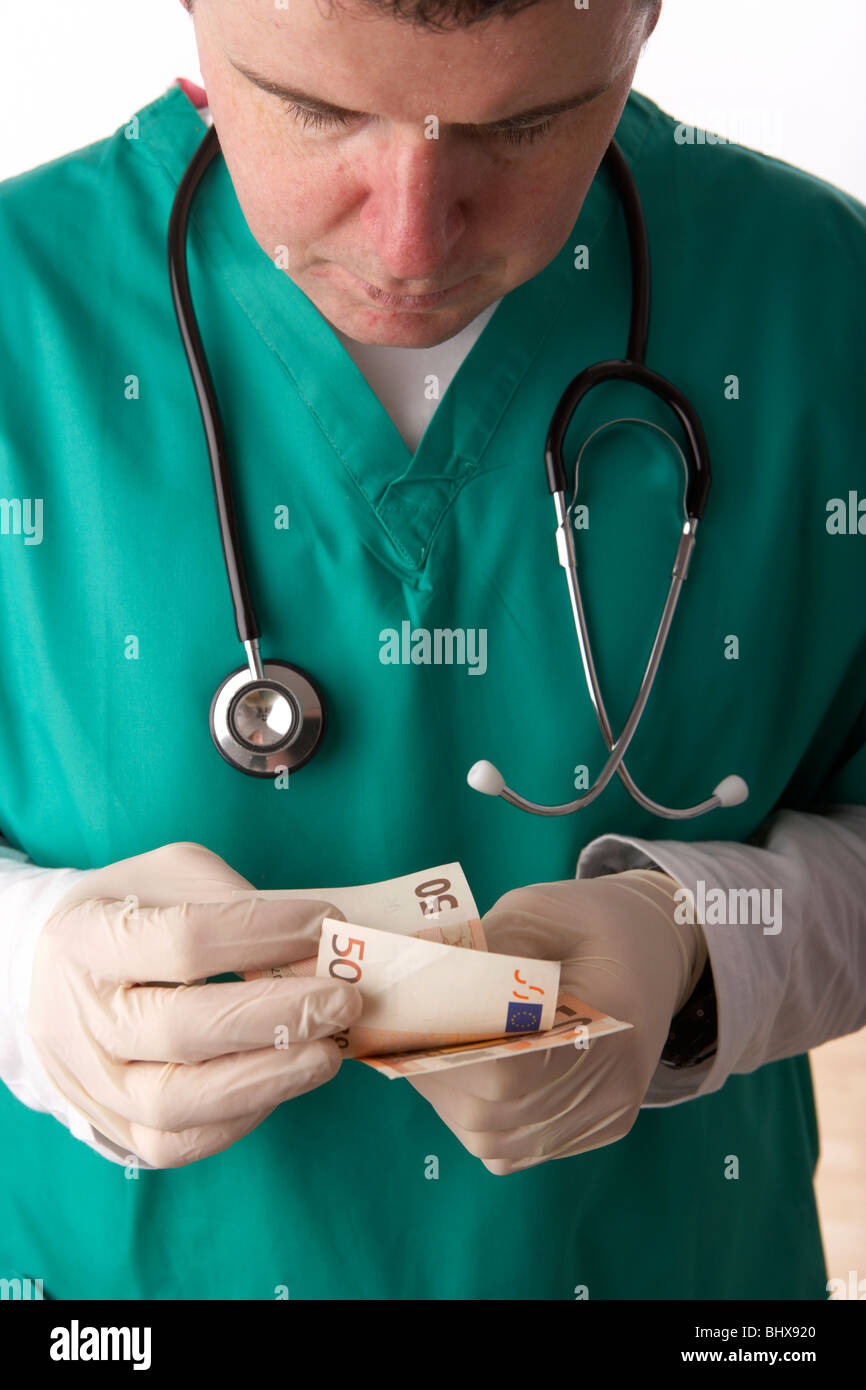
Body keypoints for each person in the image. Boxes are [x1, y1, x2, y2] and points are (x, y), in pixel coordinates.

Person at [0, 0, 864, 1301]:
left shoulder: (819, 304)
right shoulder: (27, 308)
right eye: (317, 109)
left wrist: (700, 949)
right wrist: (26, 972)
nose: (410, 234)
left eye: (520, 124)